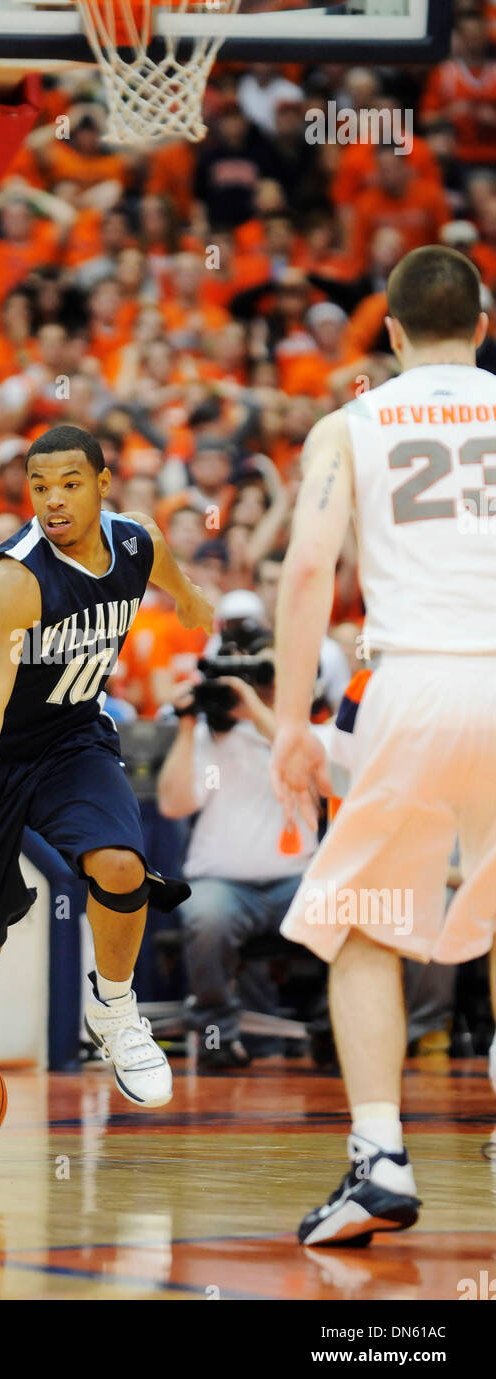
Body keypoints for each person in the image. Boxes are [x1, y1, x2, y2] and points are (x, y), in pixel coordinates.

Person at [270, 245, 496, 1246]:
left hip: (410, 682)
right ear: (481, 326)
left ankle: (378, 1160)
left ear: (390, 334)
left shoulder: (347, 424)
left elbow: (310, 563)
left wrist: (287, 721)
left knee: (360, 925)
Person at [0, 424, 213, 1108]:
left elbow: (162, 566)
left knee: (121, 864)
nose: (53, 501)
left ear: (102, 484)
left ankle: (115, 1010)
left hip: (72, 739)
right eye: (39, 488)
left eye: (69, 484)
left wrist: (187, 599)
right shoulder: (14, 579)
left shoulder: (135, 538)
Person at [156, 628, 317, 1070]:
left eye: (265, 678)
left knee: (345, 910)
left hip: (295, 882)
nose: (259, 687)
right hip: (223, 885)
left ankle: (330, 1032)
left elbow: (316, 775)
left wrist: (257, 709)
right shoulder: (211, 739)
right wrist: (188, 729)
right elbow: (174, 804)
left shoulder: (304, 733)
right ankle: (216, 1035)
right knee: (206, 914)